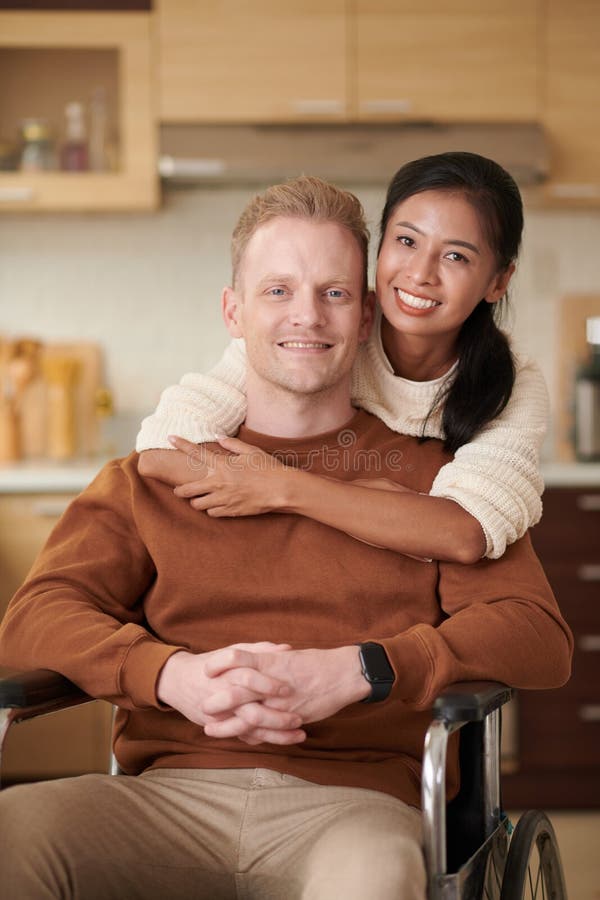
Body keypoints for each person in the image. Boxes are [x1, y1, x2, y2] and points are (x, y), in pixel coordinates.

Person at [0, 176, 571, 900]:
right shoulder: (159, 473)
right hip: (165, 797)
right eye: (277, 291)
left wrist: (365, 669)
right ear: (232, 312)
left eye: (333, 292)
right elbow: (33, 621)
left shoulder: (436, 482)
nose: (307, 316)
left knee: (373, 881)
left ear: (366, 317)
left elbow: (535, 635)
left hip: (355, 810)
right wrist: (168, 674)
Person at [136, 152, 548, 564]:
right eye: (406, 241)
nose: (421, 273)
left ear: (498, 280)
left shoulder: (512, 385)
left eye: (455, 256)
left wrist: (283, 486)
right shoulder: (325, 338)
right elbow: (162, 446)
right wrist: (389, 506)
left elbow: (466, 533)